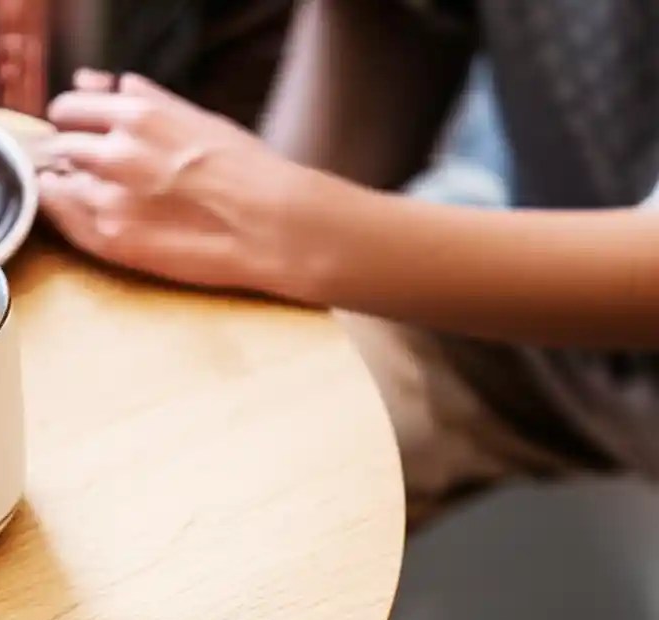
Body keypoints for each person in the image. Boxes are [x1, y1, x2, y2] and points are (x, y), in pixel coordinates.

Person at [37, 0, 659, 527]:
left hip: (590, 286)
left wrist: (285, 225)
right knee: (172, 482)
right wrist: (252, 281)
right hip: (509, 241)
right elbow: (399, 23)